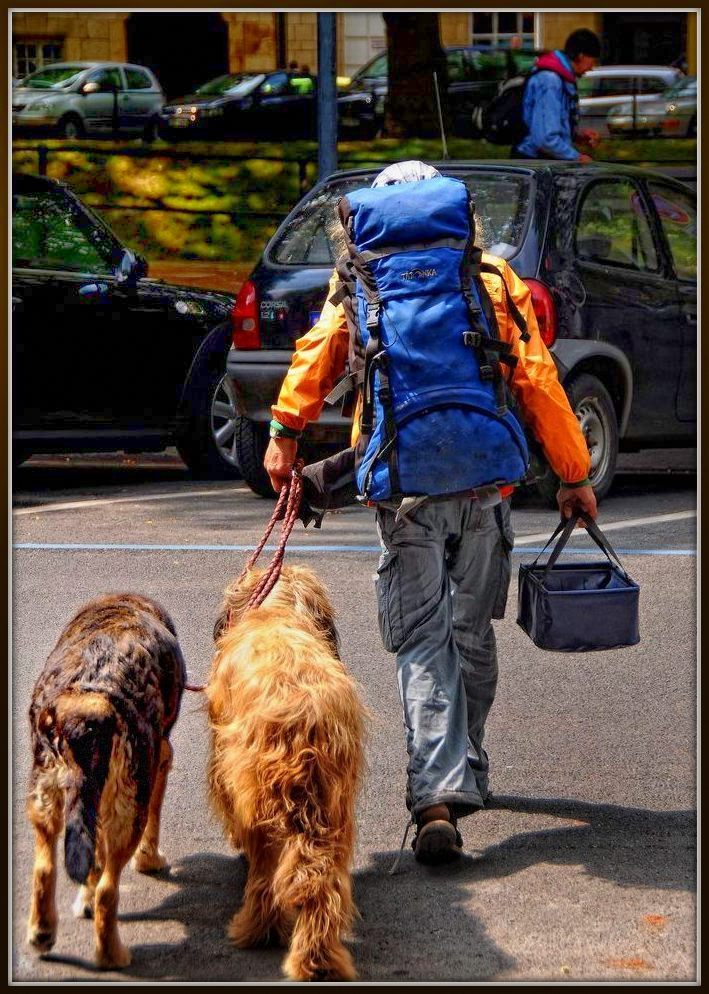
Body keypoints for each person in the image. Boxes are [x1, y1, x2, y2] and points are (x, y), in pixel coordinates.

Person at [263, 160, 597, 865]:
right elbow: (537, 379)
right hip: (484, 485)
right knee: (471, 633)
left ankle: (437, 797)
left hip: (403, 488)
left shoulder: (361, 280)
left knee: (421, 640)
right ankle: (466, 761)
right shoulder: (490, 277)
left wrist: (283, 435)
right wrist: (573, 474)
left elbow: (315, 359)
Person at [513, 28, 601, 162]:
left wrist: (577, 136)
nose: (591, 68)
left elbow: (549, 125)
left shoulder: (560, 77)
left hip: (540, 159)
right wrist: (577, 157)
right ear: (581, 56)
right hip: (533, 161)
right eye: (592, 61)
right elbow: (545, 139)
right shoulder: (550, 80)